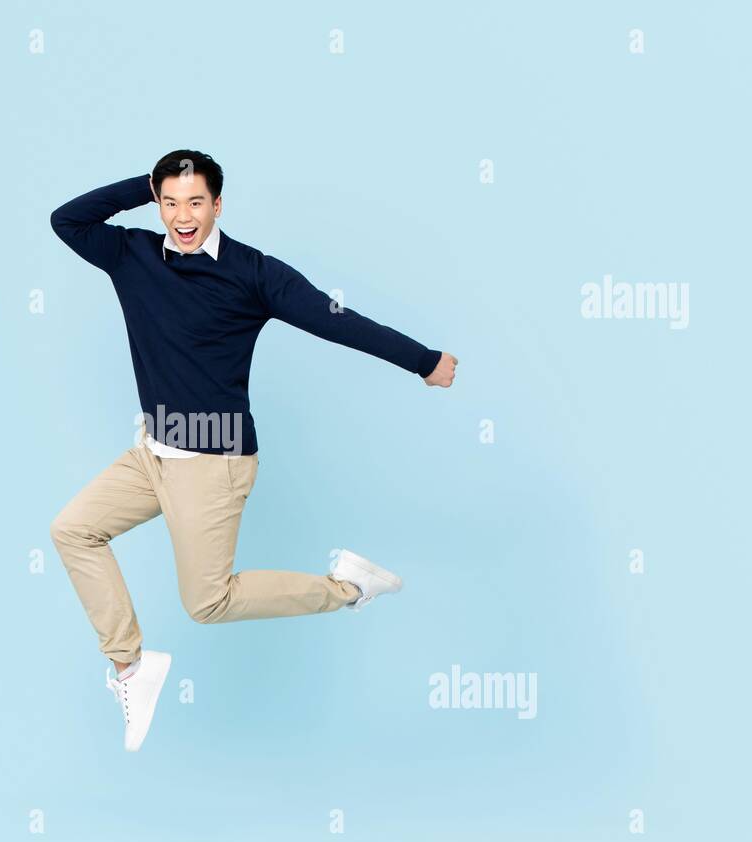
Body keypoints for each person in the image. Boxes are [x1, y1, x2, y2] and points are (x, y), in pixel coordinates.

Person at [49, 149, 457, 751]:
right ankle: (131, 667)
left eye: (195, 202)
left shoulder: (253, 273)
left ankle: (349, 588)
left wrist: (424, 362)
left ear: (217, 204)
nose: (182, 216)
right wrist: (148, 182)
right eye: (169, 202)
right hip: (152, 454)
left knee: (208, 603)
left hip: (214, 464)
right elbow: (68, 221)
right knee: (72, 531)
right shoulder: (130, 255)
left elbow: (335, 320)